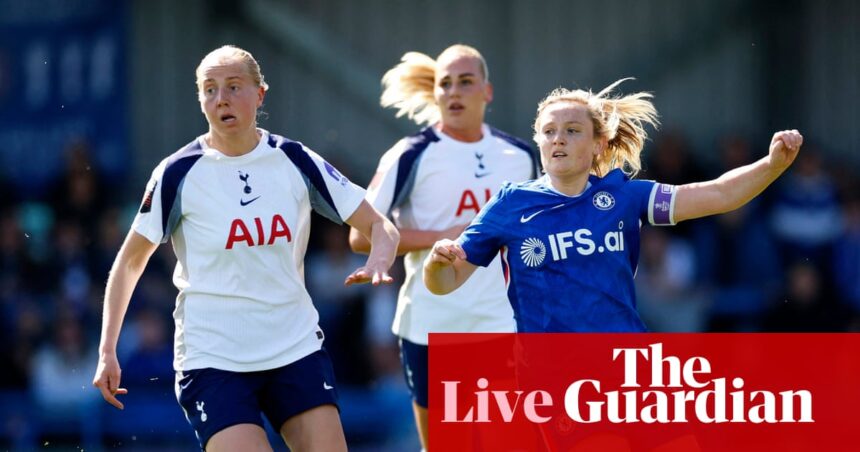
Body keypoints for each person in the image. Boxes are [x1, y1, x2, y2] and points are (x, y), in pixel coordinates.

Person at [92, 45, 399, 452]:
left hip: (294, 349)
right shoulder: (177, 173)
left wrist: (379, 258)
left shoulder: (293, 159)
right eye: (210, 89)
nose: (221, 99)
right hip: (214, 359)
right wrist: (107, 349)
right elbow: (130, 262)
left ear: (260, 94)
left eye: (234, 86)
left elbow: (380, 225)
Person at [424, 78, 803, 334]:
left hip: (627, 366)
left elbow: (719, 195)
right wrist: (436, 263)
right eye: (549, 132)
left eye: (573, 131)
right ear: (539, 141)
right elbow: (445, 283)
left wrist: (771, 166)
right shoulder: (511, 204)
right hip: (555, 380)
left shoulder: (622, 196)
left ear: (598, 146)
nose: (559, 140)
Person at [348, 44, 537, 449]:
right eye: (445, 84)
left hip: (501, 326)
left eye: (465, 82)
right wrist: (448, 236)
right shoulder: (412, 154)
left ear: (487, 91)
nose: (454, 92)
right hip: (431, 328)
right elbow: (360, 235)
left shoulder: (520, 156)